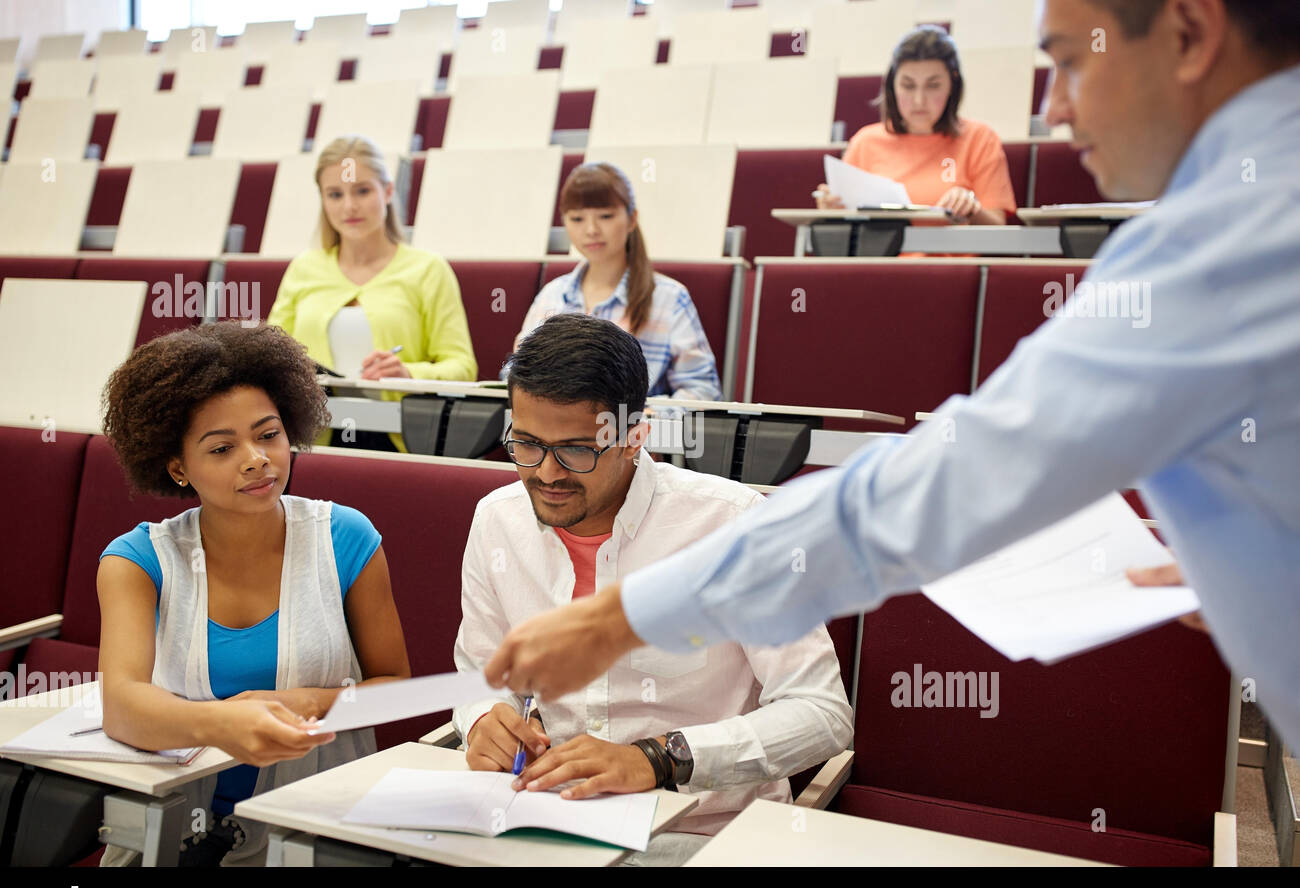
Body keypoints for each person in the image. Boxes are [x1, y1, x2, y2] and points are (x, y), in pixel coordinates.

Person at [483, 0, 1300, 753]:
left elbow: (952, 482)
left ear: (1189, 33)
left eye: (1070, 62)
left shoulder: (1226, 239)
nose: (1054, 108)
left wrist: (623, 617)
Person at [454, 314, 851, 865]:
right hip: (551, 820)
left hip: (703, 836)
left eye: (576, 450)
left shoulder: (733, 526)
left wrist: (662, 759)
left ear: (635, 437)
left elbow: (822, 712)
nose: (545, 473)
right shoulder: (497, 520)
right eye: (526, 444)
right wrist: (483, 717)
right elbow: (479, 673)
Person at [97, 322, 411, 865]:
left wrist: (307, 703)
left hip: (313, 830)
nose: (256, 458)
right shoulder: (136, 559)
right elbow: (122, 707)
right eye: (222, 448)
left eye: (268, 435)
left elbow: (395, 689)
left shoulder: (346, 537)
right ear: (178, 467)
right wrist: (224, 722)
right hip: (171, 828)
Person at [267, 135, 477, 452]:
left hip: (401, 437)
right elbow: (270, 357)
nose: (349, 206)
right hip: (311, 440)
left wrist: (408, 373)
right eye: (335, 194)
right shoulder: (303, 268)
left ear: (388, 191)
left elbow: (462, 368)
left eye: (362, 191)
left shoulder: (428, 269)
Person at [513, 162, 723, 401]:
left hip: (636, 425)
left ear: (632, 219)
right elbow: (517, 375)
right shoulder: (551, 295)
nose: (591, 230)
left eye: (605, 216)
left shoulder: (670, 298)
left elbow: (703, 391)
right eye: (577, 218)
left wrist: (642, 416)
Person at [816, 25, 1016, 225]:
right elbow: (844, 227)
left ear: (952, 85)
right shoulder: (864, 142)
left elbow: (998, 230)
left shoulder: (979, 138)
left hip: (953, 247)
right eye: (908, 86)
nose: (919, 100)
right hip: (879, 246)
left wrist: (971, 210)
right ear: (892, 85)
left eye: (933, 85)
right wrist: (831, 210)